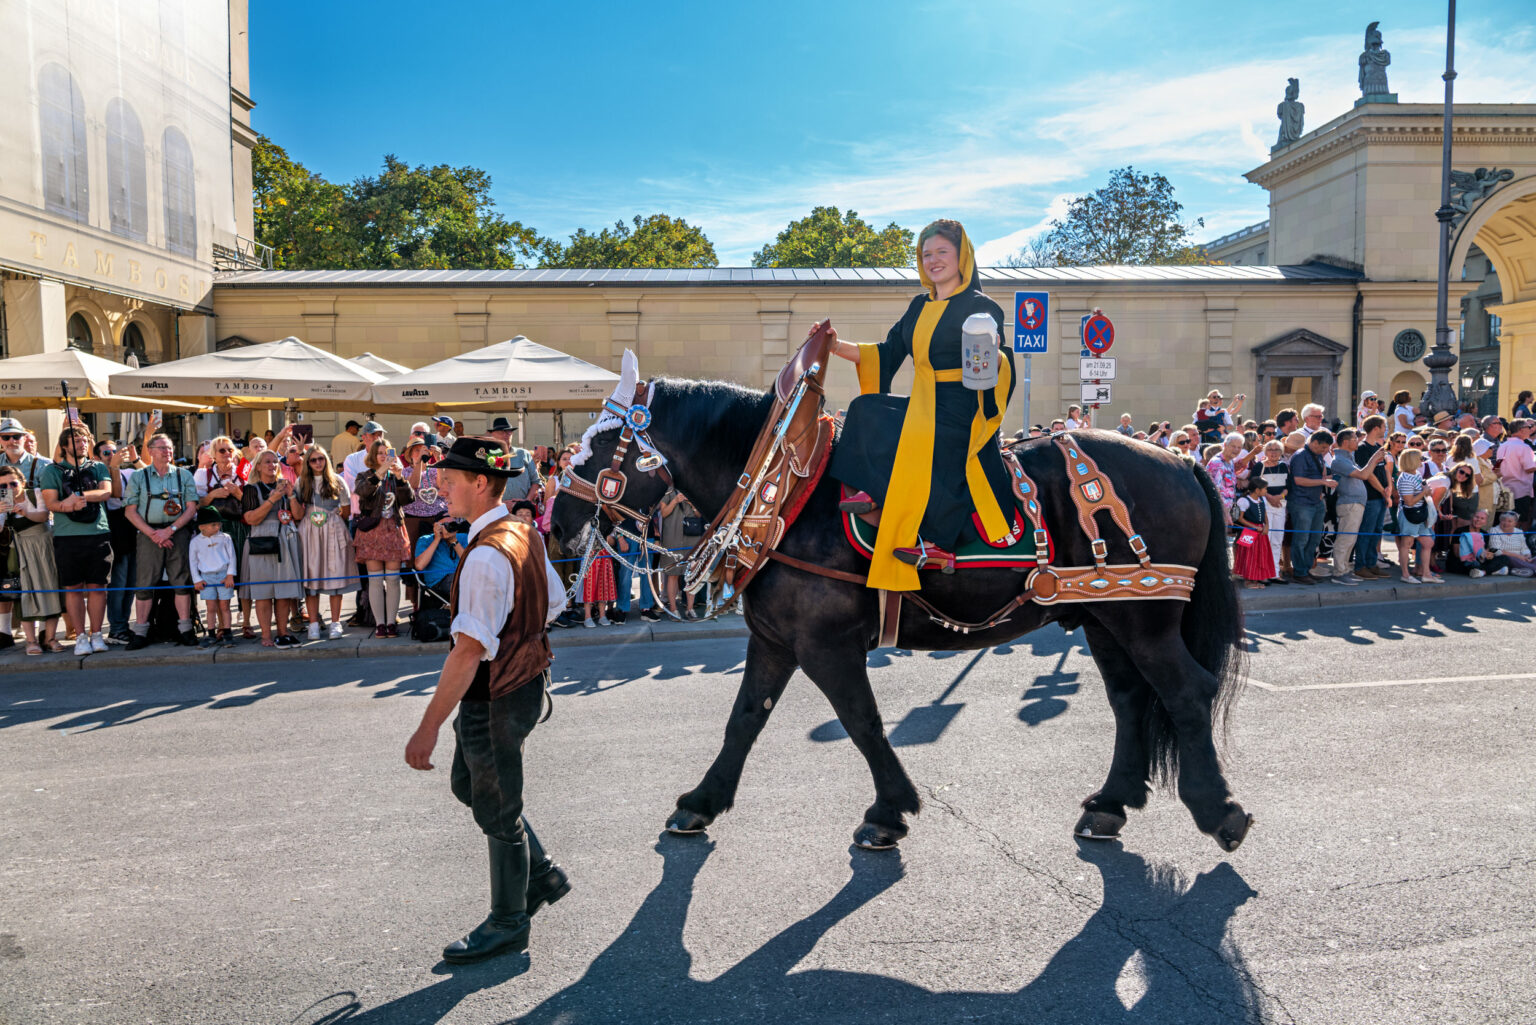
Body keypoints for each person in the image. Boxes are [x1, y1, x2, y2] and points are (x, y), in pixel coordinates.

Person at [402, 435, 569, 965]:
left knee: (497, 804)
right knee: (469, 784)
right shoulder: (520, 530)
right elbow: (555, 602)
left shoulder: (488, 553)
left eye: (449, 480)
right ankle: (540, 875)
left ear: (480, 483)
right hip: (518, 684)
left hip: (495, 695)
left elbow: (468, 651)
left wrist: (426, 726)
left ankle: (508, 922)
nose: (441, 487)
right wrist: (519, 638)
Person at [827, 219, 1016, 588]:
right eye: (926, 254)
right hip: (924, 403)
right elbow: (886, 353)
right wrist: (834, 345)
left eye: (942, 251)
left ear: (962, 256)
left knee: (939, 443)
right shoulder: (918, 305)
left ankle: (940, 543)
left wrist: (996, 359)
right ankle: (875, 497)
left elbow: (1000, 360)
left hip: (964, 406)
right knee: (866, 409)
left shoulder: (982, 306)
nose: (933, 260)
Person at [40, 424, 114, 654]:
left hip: (97, 533)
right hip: (68, 537)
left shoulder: (98, 466)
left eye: (84, 440)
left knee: (97, 587)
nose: (81, 444)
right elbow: (51, 503)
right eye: (76, 441)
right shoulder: (52, 471)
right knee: (72, 588)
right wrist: (67, 504)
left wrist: (82, 496)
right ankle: (80, 636)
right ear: (65, 446)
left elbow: (106, 492)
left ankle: (97, 634)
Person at [123, 434, 200, 648]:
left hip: (178, 532)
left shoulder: (183, 475)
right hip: (149, 534)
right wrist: (153, 534)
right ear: (150, 451)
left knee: (181, 581)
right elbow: (130, 512)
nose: (168, 452)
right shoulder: (139, 477)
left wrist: (170, 530)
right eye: (162, 448)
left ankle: (185, 629)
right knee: (145, 583)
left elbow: (192, 508)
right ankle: (140, 632)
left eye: (170, 448)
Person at [240, 450, 304, 648]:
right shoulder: (252, 489)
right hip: (262, 541)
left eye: (275, 462)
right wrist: (271, 501)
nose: (272, 465)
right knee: (263, 592)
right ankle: (266, 635)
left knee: (284, 592)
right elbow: (251, 519)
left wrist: (291, 495)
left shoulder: (284, 486)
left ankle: (283, 632)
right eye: (267, 462)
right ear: (258, 466)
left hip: (284, 539)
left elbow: (298, 515)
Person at [0, 462, 64, 654]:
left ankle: (50, 638)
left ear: (22, 481)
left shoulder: (34, 493)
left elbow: (44, 516)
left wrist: (25, 511)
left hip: (44, 547)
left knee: (51, 590)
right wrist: (2, 511)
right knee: (26, 595)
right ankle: (31, 641)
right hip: (20, 551)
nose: (9, 489)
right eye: (3, 486)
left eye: (13, 484)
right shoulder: (2, 503)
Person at [354, 439, 415, 638]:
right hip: (373, 531)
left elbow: (408, 500)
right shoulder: (364, 475)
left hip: (393, 529)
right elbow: (363, 493)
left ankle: (391, 622)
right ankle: (380, 624)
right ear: (373, 456)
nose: (383, 456)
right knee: (375, 579)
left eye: (386, 452)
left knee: (393, 579)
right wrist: (381, 472)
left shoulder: (395, 476)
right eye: (379, 453)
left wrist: (399, 477)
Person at [294, 446, 355, 640]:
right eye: (313, 460)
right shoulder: (301, 482)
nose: (318, 462)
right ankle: (313, 623)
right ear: (308, 463)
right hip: (310, 531)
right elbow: (296, 509)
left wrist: (334, 519)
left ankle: (335, 623)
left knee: (334, 573)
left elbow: (346, 510)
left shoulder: (337, 480)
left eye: (321, 458)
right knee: (312, 575)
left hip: (333, 528)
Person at [1327, 428, 1382, 586]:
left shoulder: (1347, 458)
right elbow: (1364, 475)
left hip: (1354, 503)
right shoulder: (1339, 460)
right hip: (1349, 504)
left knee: (1350, 539)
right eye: (1354, 439)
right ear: (1345, 442)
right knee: (1345, 539)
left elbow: (1364, 474)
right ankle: (1339, 572)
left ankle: (1344, 570)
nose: (1357, 441)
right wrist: (1374, 459)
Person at [1286, 429, 1335, 584]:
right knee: (1301, 539)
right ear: (1314, 442)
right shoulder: (1300, 455)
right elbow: (1299, 480)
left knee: (1314, 538)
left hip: (1316, 502)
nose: (1325, 450)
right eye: (1323, 447)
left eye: (1327, 447)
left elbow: (1319, 476)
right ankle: (1299, 572)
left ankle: (1306, 569)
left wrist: (1327, 479)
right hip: (1301, 503)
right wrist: (1323, 482)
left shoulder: (1317, 455)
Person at [189, 507, 237, 647]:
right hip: (206, 577)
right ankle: (211, 634)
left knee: (225, 605)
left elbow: (232, 557)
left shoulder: (225, 538)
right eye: (214, 524)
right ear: (202, 527)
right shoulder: (195, 542)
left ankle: (227, 633)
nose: (218, 527)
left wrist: (230, 575)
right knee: (211, 607)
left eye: (219, 524)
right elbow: (192, 562)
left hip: (223, 575)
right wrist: (197, 579)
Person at [1393, 448, 1441, 584]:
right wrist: (1424, 492)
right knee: (1406, 544)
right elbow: (1409, 501)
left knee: (1428, 542)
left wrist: (1426, 492)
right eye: (1420, 458)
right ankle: (1405, 574)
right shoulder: (1406, 478)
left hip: (1420, 513)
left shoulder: (1416, 475)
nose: (1422, 460)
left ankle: (1426, 574)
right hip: (1410, 514)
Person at [658, 488, 700, 619]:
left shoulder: (693, 488)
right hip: (673, 538)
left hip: (691, 538)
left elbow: (699, 515)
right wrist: (676, 500)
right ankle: (673, 609)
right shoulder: (668, 491)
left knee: (692, 574)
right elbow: (664, 513)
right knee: (673, 575)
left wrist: (692, 504)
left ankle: (690, 609)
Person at [413, 516, 468, 608]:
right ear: (436, 526)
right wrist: (437, 539)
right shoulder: (425, 540)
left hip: (464, 577)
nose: (450, 527)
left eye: (452, 524)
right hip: (440, 582)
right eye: (446, 525)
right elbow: (419, 566)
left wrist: (454, 541)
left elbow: (470, 562)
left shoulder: (463, 537)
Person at [1230, 478, 1274, 589]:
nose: (1266, 491)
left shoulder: (1262, 499)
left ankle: (1257, 577)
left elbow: (1265, 515)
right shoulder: (1244, 501)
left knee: (1260, 555)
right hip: (1248, 532)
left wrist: (1266, 526)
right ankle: (1248, 581)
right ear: (1257, 490)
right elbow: (1240, 518)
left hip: (1260, 531)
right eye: (1265, 488)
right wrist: (1254, 527)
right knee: (1249, 556)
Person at [1450, 510, 1513, 578]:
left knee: (1504, 558)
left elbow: (1483, 554)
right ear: (1472, 518)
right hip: (1462, 561)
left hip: (1478, 560)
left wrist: (1488, 555)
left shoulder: (1485, 534)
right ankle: (1493, 571)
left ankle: (1482, 572)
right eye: (1476, 517)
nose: (1478, 520)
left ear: (1485, 522)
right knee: (1472, 565)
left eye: (1482, 518)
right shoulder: (1460, 531)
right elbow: (1456, 554)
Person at [1496, 419, 1535, 527]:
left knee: (1505, 522)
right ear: (1521, 430)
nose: (1531, 429)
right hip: (1520, 491)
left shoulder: (1502, 445)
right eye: (1529, 427)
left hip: (1504, 490)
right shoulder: (1524, 447)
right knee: (1519, 523)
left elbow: (1496, 467)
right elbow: (1529, 468)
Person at [1488, 510, 1536, 575]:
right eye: (1503, 520)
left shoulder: (1519, 531)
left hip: (1521, 559)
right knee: (1510, 558)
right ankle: (1532, 569)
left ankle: (1520, 570)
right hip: (1504, 558)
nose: (1506, 523)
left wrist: (1527, 556)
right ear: (1500, 521)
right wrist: (1518, 556)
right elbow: (1495, 550)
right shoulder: (1494, 530)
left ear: (1515, 523)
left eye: (1509, 521)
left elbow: (1524, 548)